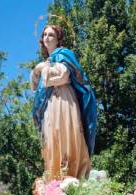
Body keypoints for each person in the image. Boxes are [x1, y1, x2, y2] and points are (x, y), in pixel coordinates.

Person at [31, 24, 97, 180]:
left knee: (67, 133)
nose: (47, 38)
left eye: (51, 35)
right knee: (52, 138)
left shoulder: (64, 54)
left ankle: (73, 176)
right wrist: (39, 69)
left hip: (65, 101)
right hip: (50, 104)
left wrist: (43, 68)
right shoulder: (47, 61)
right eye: (45, 35)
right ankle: (54, 179)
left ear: (58, 39)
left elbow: (61, 76)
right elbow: (35, 85)